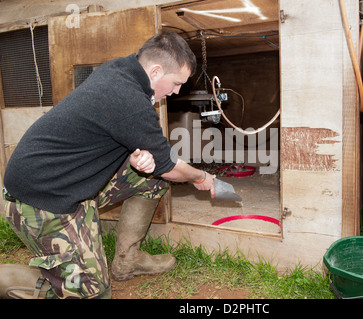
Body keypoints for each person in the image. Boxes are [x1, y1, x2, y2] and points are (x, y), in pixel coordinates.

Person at [0, 31, 215, 299]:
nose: (176, 91)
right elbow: (170, 167)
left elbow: (113, 131)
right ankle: (10, 278)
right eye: (176, 83)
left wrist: (136, 155)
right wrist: (200, 177)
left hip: (71, 182)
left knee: (151, 177)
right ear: (156, 70)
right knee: (93, 292)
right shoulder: (129, 99)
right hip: (41, 200)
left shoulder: (121, 68)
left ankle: (128, 260)